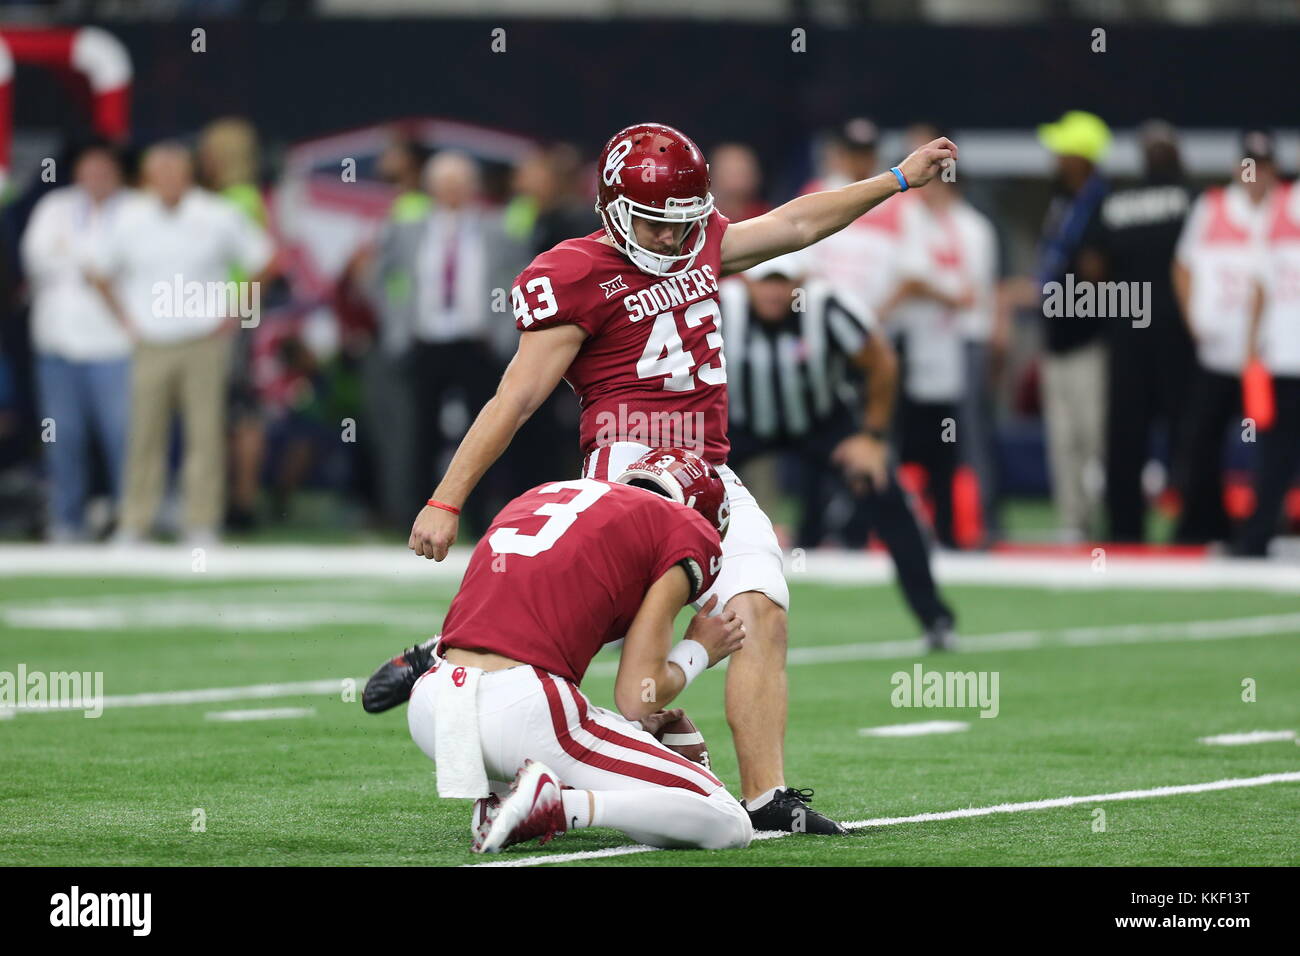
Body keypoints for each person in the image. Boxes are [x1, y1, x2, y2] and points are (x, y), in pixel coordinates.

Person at [407, 121, 957, 834]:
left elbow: (792, 225)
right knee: (594, 629)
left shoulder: (697, 238)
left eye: (682, 224)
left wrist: (898, 178)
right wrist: (447, 498)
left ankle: (766, 796)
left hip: (714, 469)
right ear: (612, 207)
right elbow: (515, 397)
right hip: (633, 468)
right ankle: (463, 679)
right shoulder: (574, 272)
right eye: (655, 224)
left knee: (762, 608)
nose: (671, 240)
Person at [365, 449, 752, 853]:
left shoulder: (542, 496)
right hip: (521, 708)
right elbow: (639, 696)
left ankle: (503, 797)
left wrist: (632, 735)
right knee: (727, 821)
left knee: (581, 727)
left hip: (436, 708)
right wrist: (699, 650)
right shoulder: (683, 526)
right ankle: (555, 805)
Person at [719, 252, 956, 650]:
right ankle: (636, 622)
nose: (774, 292)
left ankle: (935, 618)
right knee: (679, 503)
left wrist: (873, 437)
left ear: (801, 283)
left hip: (823, 423)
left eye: (783, 282)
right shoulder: (719, 307)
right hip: (741, 425)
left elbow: (881, 363)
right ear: (746, 282)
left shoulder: (827, 308)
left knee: (887, 496)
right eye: (765, 281)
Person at [89, 142, 274, 544]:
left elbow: (266, 260)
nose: (170, 178)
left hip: (203, 340)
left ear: (189, 174)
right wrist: (125, 320)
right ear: (148, 177)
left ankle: (201, 523)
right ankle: (135, 522)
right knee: (143, 436)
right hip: (150, 341)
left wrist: (235, 315)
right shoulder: (128, 217)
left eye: (177, 170)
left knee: (205, 434)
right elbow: (98, 270)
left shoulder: (218, 213)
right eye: (162, 171)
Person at [877, 131, 1000, 548]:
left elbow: (965, 293)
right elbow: (910, 276)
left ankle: (982, 522)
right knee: (919, 439)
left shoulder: (973, 228)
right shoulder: (914, 220)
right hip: (918, 343)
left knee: (968, 434)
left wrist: (917, 291)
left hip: (963, 341)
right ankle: (919, 522)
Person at [1084, 120, 1194, 541]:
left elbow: (1091, 268)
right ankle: (1194, 524)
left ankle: (1125, 528)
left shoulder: (1117, 203)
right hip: (1178, 335)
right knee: (1187, 432)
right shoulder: (1192, 202)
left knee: (1125, 436)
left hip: (1128, 331)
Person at [19, 140, 133, 540]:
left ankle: (130, 521)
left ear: (117, 173)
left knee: (122, 435)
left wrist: (78, 260)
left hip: (115, 345)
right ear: (78, 171)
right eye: (89, 168)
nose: (96, 177)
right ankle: (67, 521)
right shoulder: (55, 207)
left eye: (104, 169)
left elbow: (133, 265)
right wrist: (91, 264)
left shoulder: (135, 211)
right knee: (62, 436)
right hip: (57, 344)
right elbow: (35, 257)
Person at [1174, 131, 1279, 545]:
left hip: (1268, 357)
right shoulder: (1213, 207)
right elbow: (1182, 267)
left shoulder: (1283, 212)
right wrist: (1193, 320)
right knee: (1200, 441)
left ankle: (1261, 527)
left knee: (1272, 445)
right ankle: (1206, 523)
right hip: (1218, 352)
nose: (1255, 175)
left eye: (1264, 167)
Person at [1032, 111, 1111, 542]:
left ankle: (1097, 519)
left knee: (1091, 436)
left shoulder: (1101, 205)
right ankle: (1072, 522)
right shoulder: (1061, 202)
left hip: (1088, 338)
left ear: (1081, 156)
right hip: (1057, 337)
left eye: (1063, 151)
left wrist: (1049, 291)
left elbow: (1095, 276)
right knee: (1062, 437)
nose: (1055, 158)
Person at [1234, 160, 1300, 557]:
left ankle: (1257, 536)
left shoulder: (1275, 207)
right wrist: (1251, 348)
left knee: (1276, 452)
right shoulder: (1275, 209)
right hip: (1284, 355)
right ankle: (1257, 535)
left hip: (1283, 353)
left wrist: (1250, 347)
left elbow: (1259, 287)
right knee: (1275, 452)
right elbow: (1260, 286)